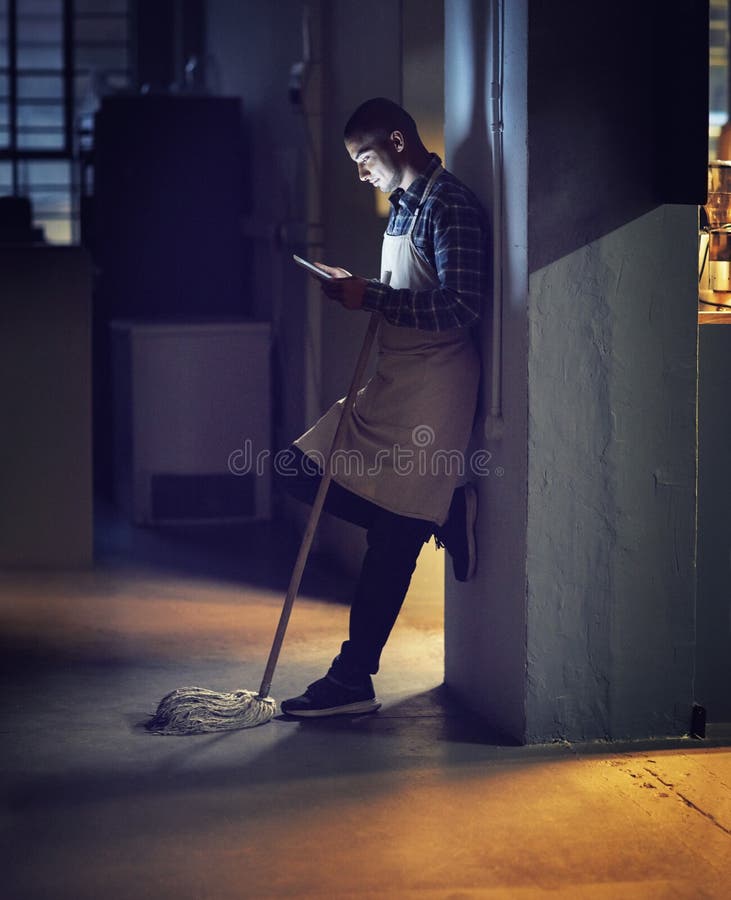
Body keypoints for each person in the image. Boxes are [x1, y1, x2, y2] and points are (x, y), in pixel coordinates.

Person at [279, 97, 489, 717]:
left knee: (394, 538)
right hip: (394, 379)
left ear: (397, 142)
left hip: (436, 386)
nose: (360, 173)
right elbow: (406, 292)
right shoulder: (404, 208)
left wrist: (368, 295)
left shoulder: (450, 206)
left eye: (363, 158)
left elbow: (461, 307)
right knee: (294, 469)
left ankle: (352, 680)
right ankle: (437, 509)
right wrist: (360, 288)